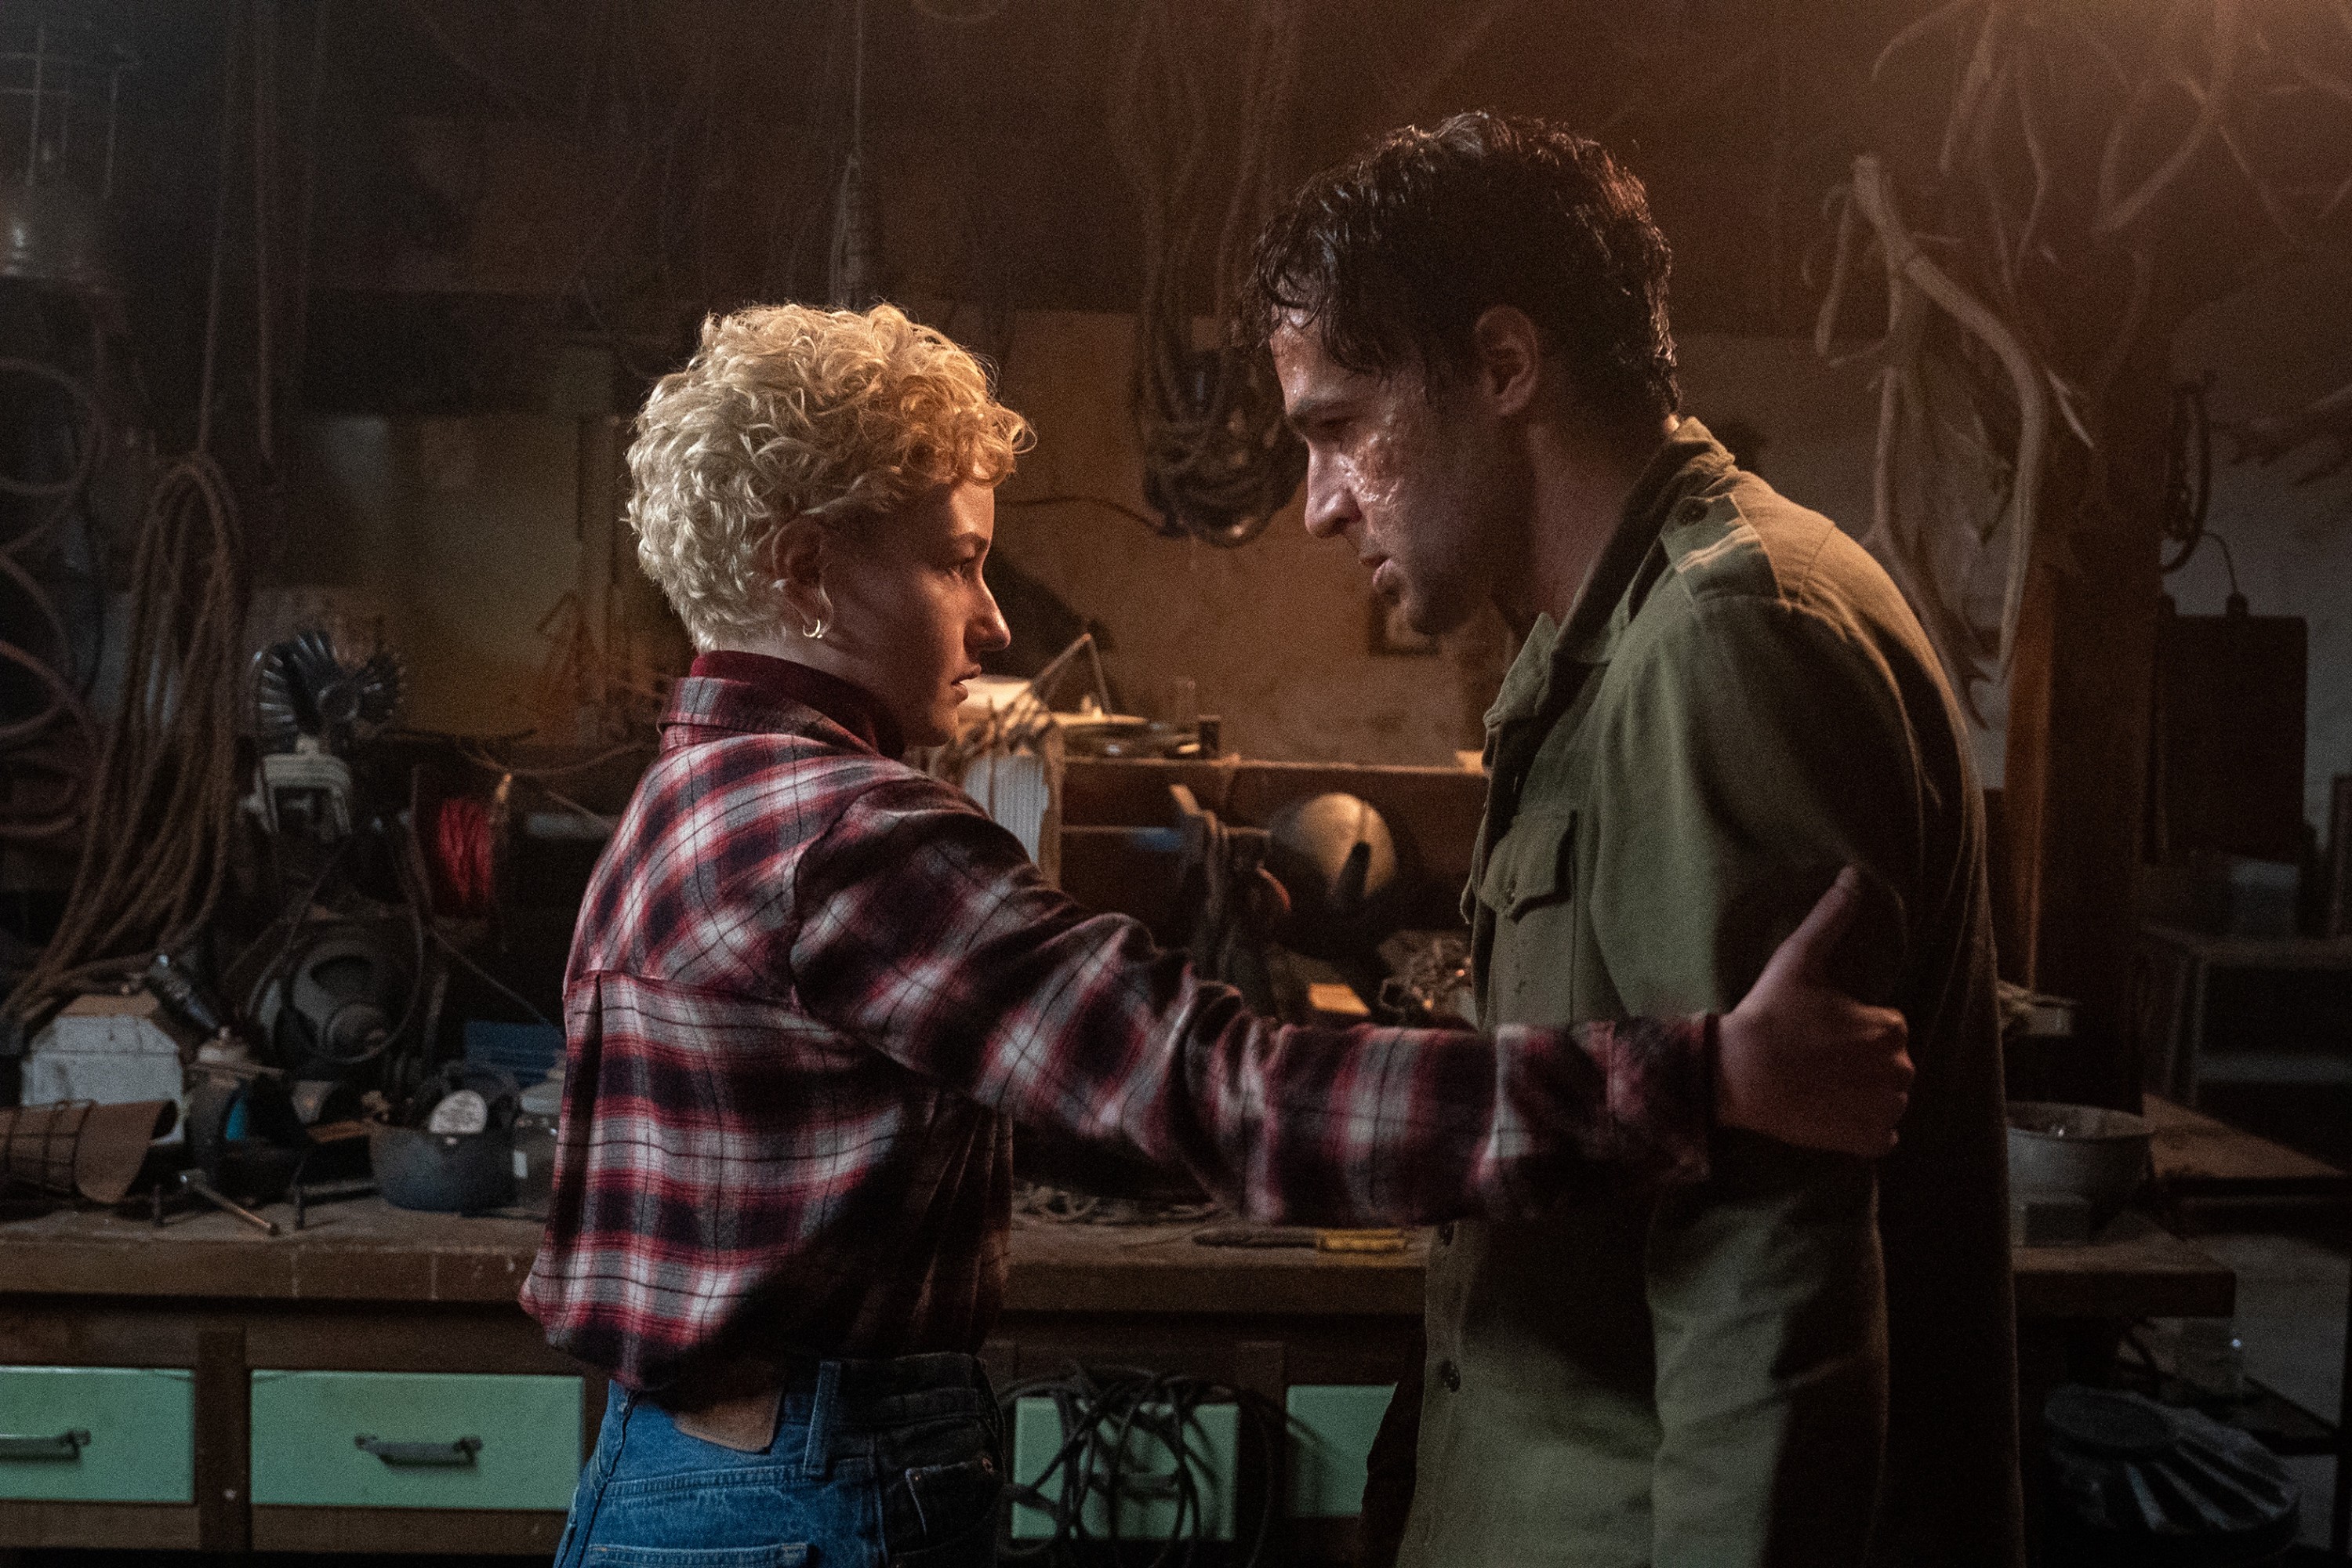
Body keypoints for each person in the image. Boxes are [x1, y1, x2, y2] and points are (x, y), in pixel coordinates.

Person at [522, 301, 1915, 1567]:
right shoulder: (853, 839)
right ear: (805, 569)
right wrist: (1707, 1078)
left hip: (666, 1471)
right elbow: (1232, 1096)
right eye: (959, 562)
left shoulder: (683, 799)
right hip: (805, 1498)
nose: (997, 619)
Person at [1241, 113, 2023, 1567]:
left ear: (1504, 367)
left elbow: (1767, 1275)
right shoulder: (1596, 646)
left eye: (1342, 428)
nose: (1319, 505)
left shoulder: (1727, 637)